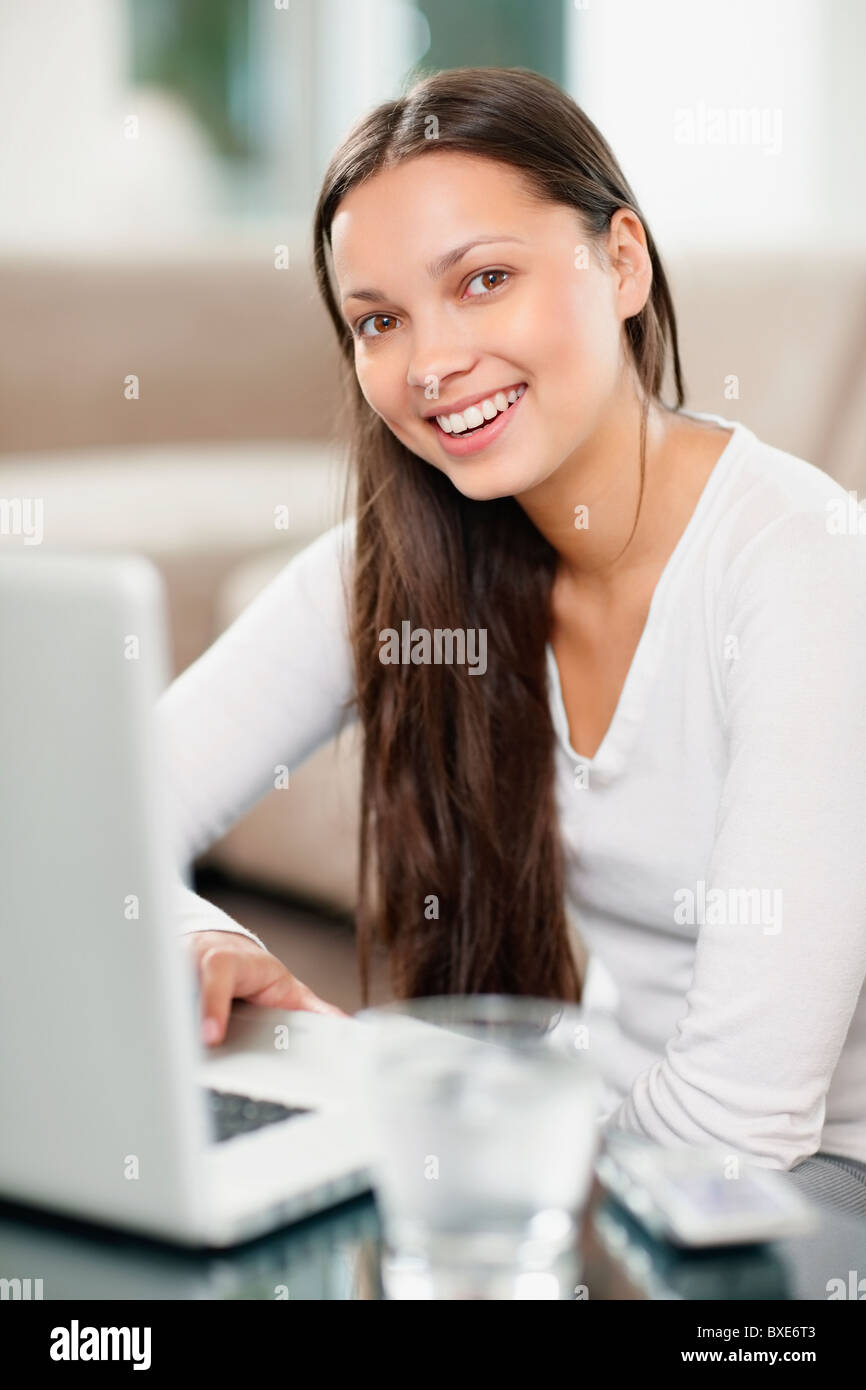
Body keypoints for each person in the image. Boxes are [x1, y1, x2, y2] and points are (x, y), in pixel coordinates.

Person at [156, 68, 866, 1208]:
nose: (429, 363)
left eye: (483, 280)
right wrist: (185, 937)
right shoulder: (403, 562)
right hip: (595, 1154)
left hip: (803, 1196)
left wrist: (454, 1160)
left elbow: (740, 1126)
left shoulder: (803, 567)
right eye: (378, 320)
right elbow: (82, 819)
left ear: (619, 263)